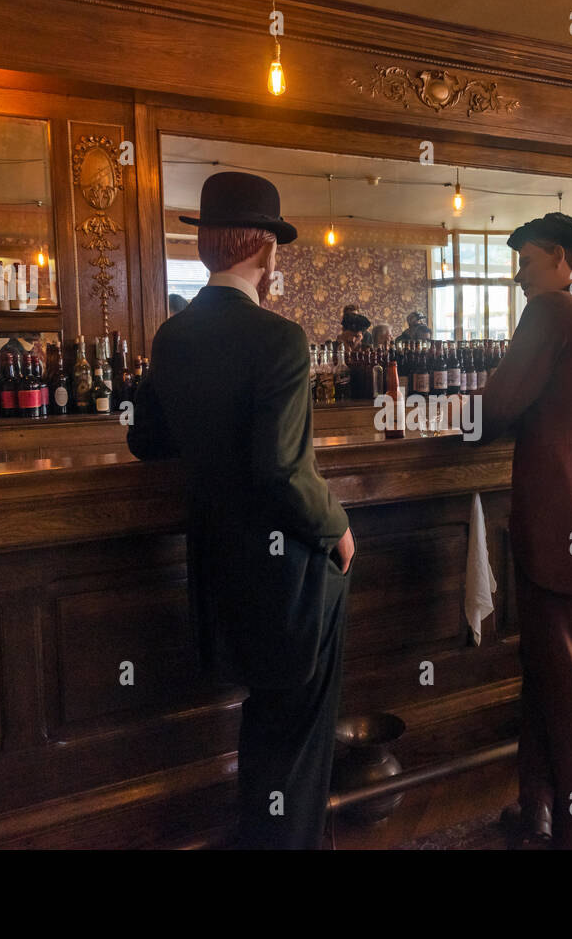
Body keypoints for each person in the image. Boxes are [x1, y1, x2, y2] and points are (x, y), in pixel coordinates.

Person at [127, 171, 356, 848]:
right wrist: (339, 526)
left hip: (219, 570)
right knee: (298, 738)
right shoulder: (280, 339)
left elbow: (147, 439)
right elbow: (281, 469)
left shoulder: (172, 337)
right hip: (289, 578)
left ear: (209, 246)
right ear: (263, 248)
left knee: (265, 724)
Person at [472, 212, 572, 849]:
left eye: (528, 261)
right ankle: (536, 803)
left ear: (564, 260)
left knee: (563, 667)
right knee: (550, 657)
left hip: (555, 506)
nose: (520, 277)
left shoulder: (550, 311)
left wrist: (435, 418)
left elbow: (497, 408)